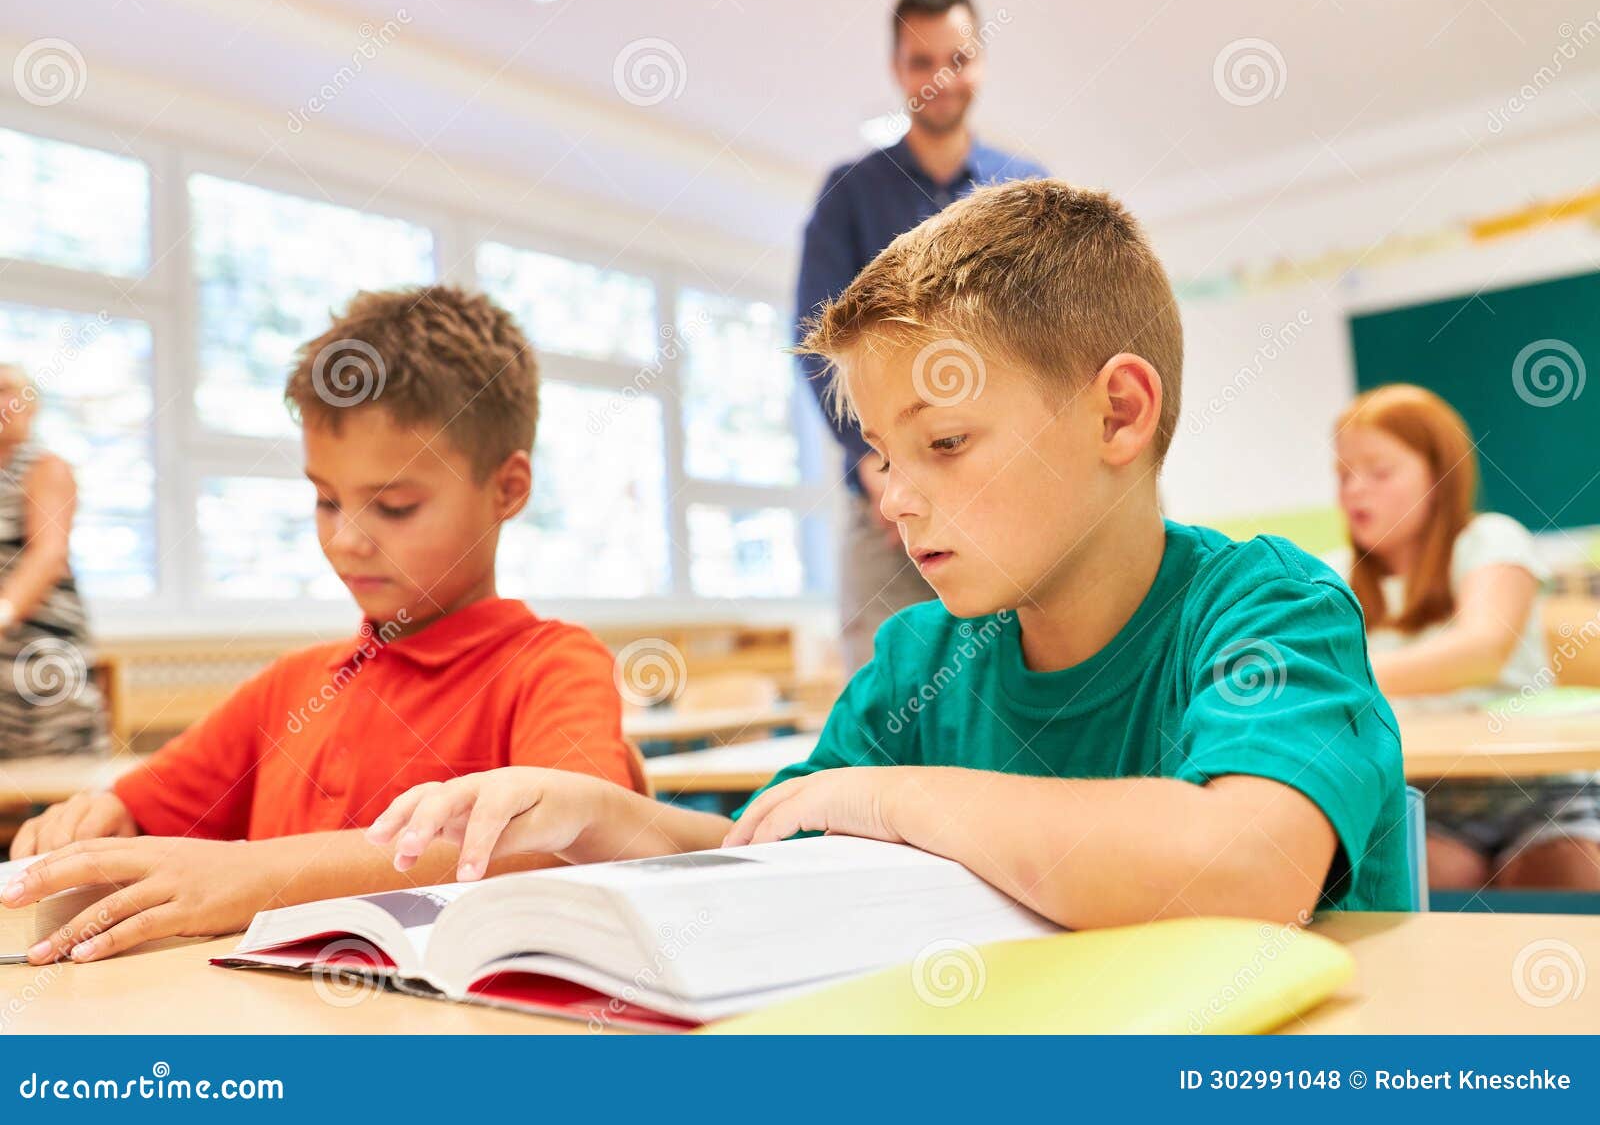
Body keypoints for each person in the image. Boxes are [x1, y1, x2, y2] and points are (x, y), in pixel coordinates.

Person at [369, 181, 1411, 924]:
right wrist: (603, 821)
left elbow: (1241, 868)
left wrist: (892, 796)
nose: (896, 502)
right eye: (880, 454)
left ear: (1118, 413)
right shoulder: (921, 658)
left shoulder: (1271, 606)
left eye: (946, 443)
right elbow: (786, 835)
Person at [2, 286, 646, 962]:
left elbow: (571, 847)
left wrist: (258, 876)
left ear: (508, 490)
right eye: (325, 500)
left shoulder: (552, 666)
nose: (345, 541)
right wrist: (97, 820)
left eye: (393, 506)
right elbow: (138, 811)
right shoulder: (291, 687)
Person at [796, 0, 1047, 669]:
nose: (941, 77)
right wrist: (879, 467)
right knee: (884, 706)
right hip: (882, 508)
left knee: (1017, 690)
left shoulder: (1025, 193)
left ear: (982, 64)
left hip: (1002, 496)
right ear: (896, 70)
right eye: (920, 62)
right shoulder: (849, 196)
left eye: (958, 59)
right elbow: (818, 343)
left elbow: (1049, 342)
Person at [1334, 383, 1600, 889]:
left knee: (1565, 871)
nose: (1354, 490)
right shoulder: (1333, 574)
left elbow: (1481, 652)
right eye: (1342, 475)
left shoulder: (1489, 539)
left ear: (1438, 476)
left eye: (1379, 471)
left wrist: (1345, 678)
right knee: (1429, 883)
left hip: (1537, 787)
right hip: (1422, 794)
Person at [0, 364, 107, 759]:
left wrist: (4, 613)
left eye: (6, 390)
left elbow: (48, 555)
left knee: (54, 784)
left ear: (32, 405)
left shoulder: (46, 468)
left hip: (41, 654)